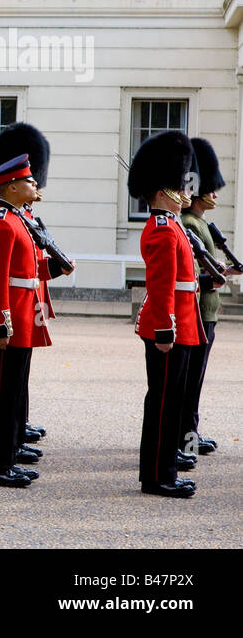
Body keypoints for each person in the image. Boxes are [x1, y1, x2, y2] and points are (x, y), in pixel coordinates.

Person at [0, 133, 70, 487]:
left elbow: (27, 272)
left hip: (23, 315)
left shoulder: (19, 220)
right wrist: (0, 325)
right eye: (29, 180)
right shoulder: (2, 222)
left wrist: (55, 269)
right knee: (1, 396)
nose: (34, 184)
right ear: (12, 186)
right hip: (10, 319)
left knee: (12, 392)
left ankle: (6, 458)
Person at [129, 130, 203, 498]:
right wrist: (163, 330)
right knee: (162, 403)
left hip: (183, 324)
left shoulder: (172, 226)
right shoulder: (162, 229)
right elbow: (161, 288)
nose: (187, 191)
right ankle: (157, 476)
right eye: (180, 185)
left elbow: (183, 281)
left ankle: (164, 470)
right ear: (162, 192)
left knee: (172, 402)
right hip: (169, 326)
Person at [179, 137, 240, 459]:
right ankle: (185, 438)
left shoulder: (200, 223)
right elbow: (190, 275)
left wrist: (223, 271)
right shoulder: (189, 223)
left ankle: (189, 435)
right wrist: (215, 276)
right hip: (198, 312)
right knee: (189, 383)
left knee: (194, 381)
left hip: (207, 311)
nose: (215, 192)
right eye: (211, 187)